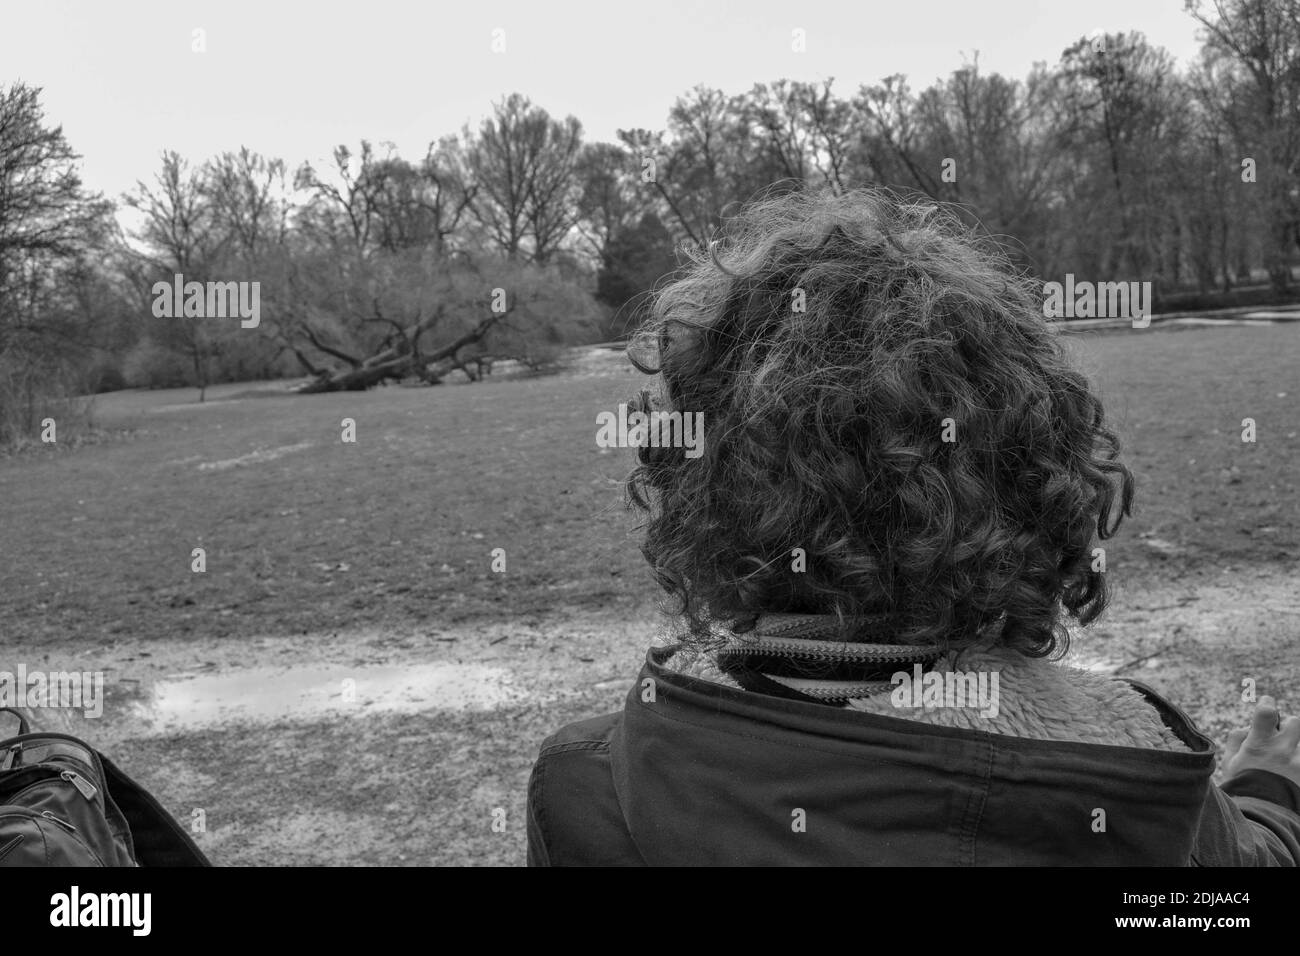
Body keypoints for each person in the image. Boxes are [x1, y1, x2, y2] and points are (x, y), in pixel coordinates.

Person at [525, 187, 1300, 866]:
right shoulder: (1134, 773)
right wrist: (1266, 789)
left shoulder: (588, 783)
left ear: (699, 491)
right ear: (1035, 471)